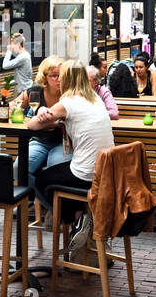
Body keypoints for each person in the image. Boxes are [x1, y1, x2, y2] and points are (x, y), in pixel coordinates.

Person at [26, 60, 114, 255]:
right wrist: (44, 111)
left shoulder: (69, 102)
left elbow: (32, 125)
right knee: (57, 175)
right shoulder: (95, 98)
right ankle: (81, 220)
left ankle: (76, 220)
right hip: (106, 173)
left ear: (67, 79)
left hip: (85, 175)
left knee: (41, 180)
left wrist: (40, 111)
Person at [15, 56, 69, 180]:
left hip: (63, 142)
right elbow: (14, 107)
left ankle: (43, 193)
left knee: (54, 170)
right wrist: (16, 110)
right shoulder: (35, 92)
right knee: (19, 169)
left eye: (62, 75)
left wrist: (46, 123)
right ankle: (35, 192)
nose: (59, 79)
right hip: (39, 141)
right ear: (44, 77)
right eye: (54, 75)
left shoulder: (69, 93)